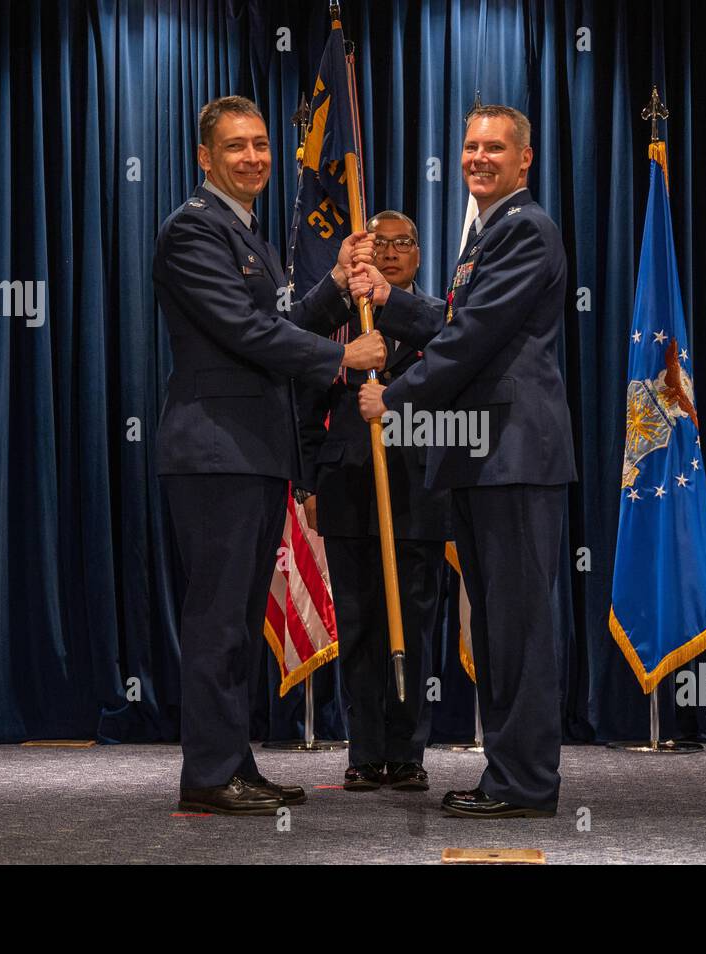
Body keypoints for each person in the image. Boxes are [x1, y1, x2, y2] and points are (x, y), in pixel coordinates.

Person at [153, 95, 386, 816]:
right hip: (215, 455)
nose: (252, 156)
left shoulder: (243, 232)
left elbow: (273, 320)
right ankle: (209, 775)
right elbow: (245, 334)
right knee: (218, 620)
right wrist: (341, 353)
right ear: (204, 157)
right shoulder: (192, 232)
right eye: (235, 147)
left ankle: (232, 764)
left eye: (259, 144)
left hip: (253, 453)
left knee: (237, 618)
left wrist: (336, 286)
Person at [353, 105, 575, 819]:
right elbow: (455, 323)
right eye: (471, 146)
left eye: (495, 147)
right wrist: (391, 301)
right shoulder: (487, 235)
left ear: (524, 159)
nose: (478, 157)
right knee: (498, 628)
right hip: (484, 456)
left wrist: (396, 397)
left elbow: (472, 339)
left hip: (513, 454)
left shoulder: (524, 230)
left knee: (517, 627)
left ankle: (528, 782)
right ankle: (507, 773)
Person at [299, 211, 450, 793]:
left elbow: (453, 368)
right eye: (377, 243)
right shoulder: (333, 321)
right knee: (358, 624)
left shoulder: (436, 318)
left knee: (413, 621)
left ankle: (407, 751)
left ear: (417, 253)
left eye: (402, 243)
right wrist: (309, 484)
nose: (389, 252)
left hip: (417, 490)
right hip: (344, 488)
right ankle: (363, 751)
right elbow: (305, 405)